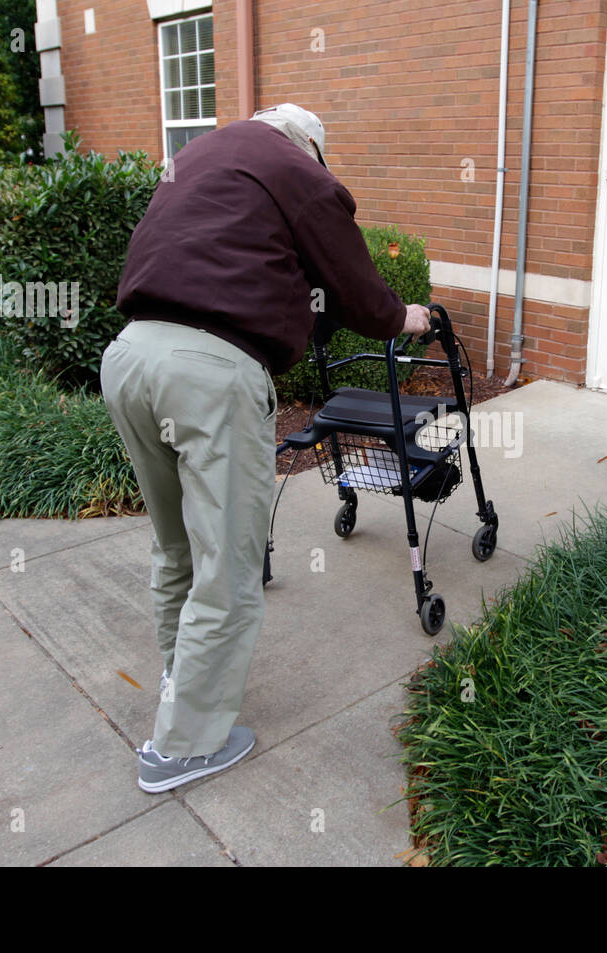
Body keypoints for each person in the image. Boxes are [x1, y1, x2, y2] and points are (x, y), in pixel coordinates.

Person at [100, 103, 431, 792]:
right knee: (230, 560)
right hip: (209, 373)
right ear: (311, 144)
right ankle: (183, 748)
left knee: (177, 546)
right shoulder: (296, 168)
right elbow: (354, 290)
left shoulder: (200, 158)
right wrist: (407, 316)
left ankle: (180, 678)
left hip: (130, 357)